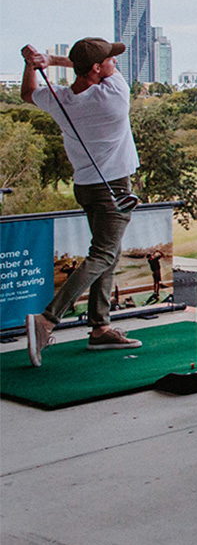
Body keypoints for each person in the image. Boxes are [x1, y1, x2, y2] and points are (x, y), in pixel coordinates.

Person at [21, 38, 143, 366]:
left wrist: (32, 65)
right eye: (109, 61)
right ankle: (47, 319)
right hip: (113, 187)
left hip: (86, 187)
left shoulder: (61, 100)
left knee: (107, 253)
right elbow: (84, 69)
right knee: (103, 254)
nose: (114, 65)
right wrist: (50, 59)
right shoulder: (114, 95)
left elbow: (28, 94)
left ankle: (100, 327)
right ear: (96, 70)